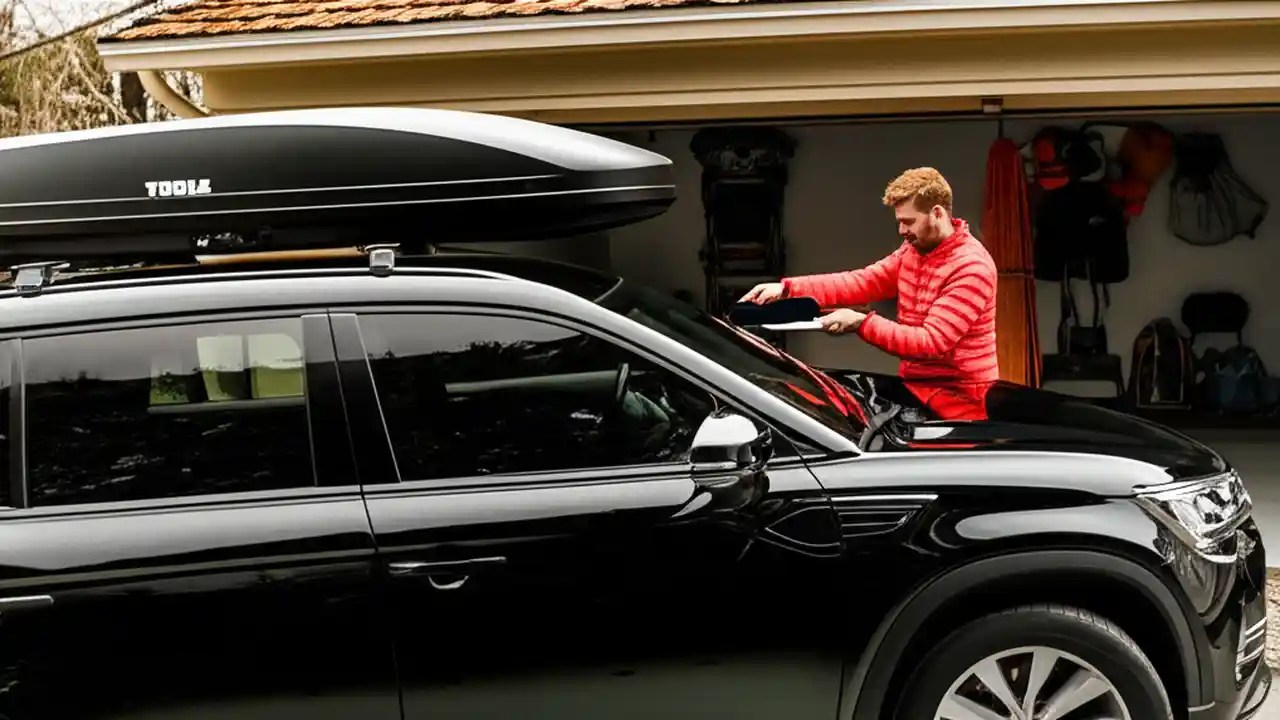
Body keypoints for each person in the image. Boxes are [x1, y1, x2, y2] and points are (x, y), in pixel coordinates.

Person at [740, 167, 999, 395]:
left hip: (961, 401)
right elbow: (862, 282)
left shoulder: (971, 267)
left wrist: (861, 323)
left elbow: (930, 342)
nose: (901, 231)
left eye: (908, 222)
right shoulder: (913, 252)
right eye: (899, 222)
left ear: (937, 213)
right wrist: (787, 289)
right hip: (918, 389)